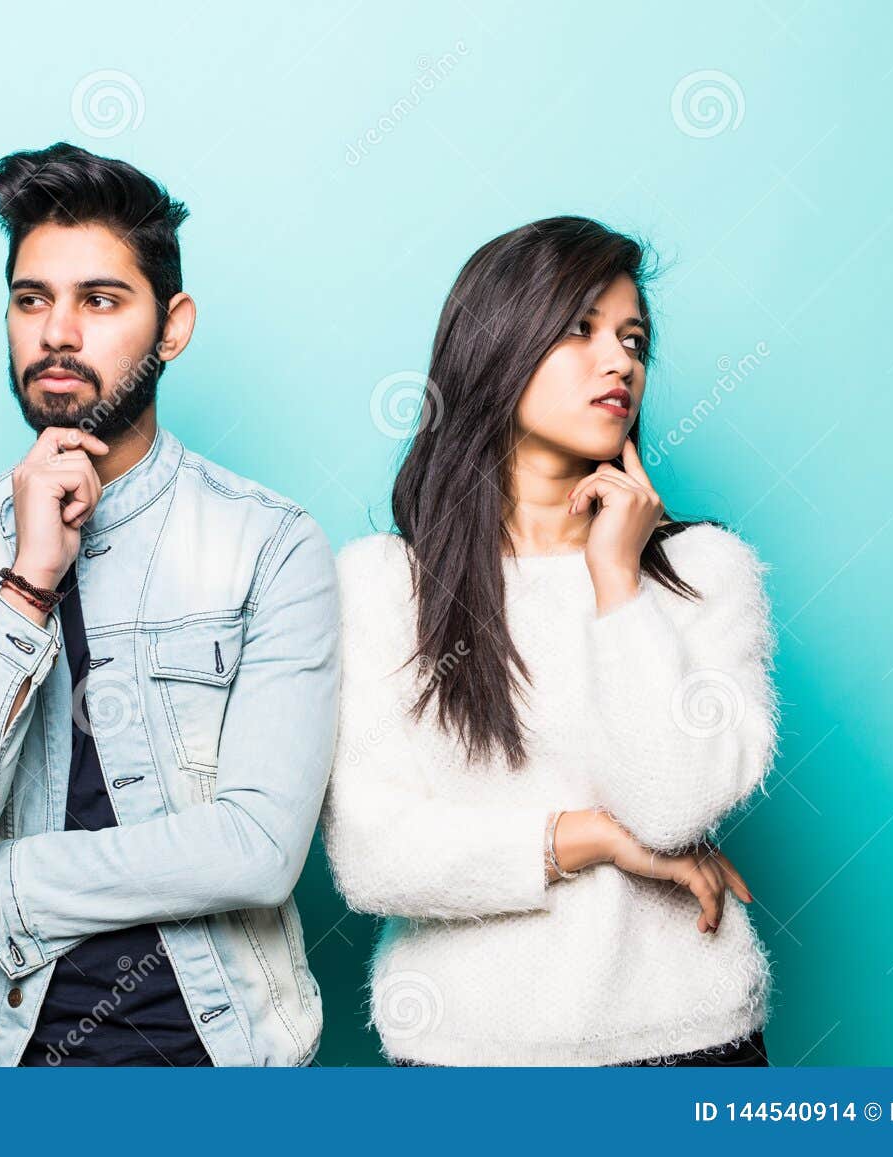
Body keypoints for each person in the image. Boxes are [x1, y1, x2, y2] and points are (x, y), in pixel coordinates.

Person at [0, 142, 340, 1066]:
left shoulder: (269, 545)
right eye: (31, 299)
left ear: (174, 325)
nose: (57, 333)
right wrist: (27, 585)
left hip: (222, 1058)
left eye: (101, 300)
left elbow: (258, 848)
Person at [322, 217, 777, 1067]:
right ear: (496, 345)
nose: (620, 362)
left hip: (690, 1045)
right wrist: (590, 838)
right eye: (581, 330)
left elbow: (674, 805)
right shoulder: (384, 584)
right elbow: (374, 854)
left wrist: (616, 581)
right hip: (465, 1058)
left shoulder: (706, 571)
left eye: (633, 339)